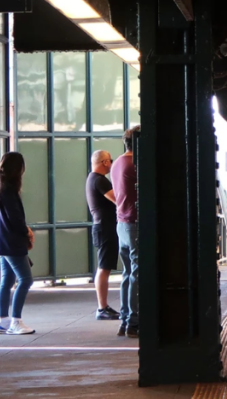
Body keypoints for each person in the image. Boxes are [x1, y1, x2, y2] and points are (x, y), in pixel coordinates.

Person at [0, 152, 36, 335]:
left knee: (7, 281)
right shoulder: (9, 190)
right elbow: (15, 218)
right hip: (12, 243)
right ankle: (16, 321)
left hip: (2, 242)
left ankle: (3, 321)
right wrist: (27, 231)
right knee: (26, 279)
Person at [112, 126, 140, 338]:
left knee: (127, 273)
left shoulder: (117, 162)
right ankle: (134, 321)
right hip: (134, 222)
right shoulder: (134, 165)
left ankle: (124, 320)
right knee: (137, 274)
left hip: (121, 222)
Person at [86, 150, 120, 320]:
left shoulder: (93, 179)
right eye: (111, 160)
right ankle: (102, 307)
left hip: (103, 227)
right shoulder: (99, 180)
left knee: (104, 267)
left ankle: (103, 306)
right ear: (105, 162)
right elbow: (118, 199)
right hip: (104, 228)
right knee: (104, 267)